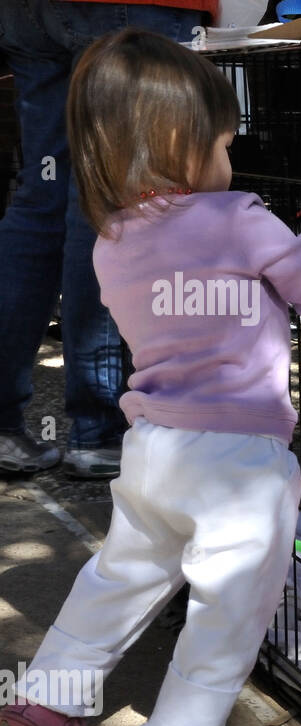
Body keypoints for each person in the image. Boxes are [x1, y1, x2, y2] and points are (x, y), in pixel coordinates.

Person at [0, 29, 301, 726]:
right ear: (179, 142)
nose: (232, 161)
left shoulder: (110, 241)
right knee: (234, 602)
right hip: (240, 459)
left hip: (155, 447)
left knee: (124, 573)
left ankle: (48, 693)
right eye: (225, 144)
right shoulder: (238, 218)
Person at [0, 1, 217, 480]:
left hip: (27, 14)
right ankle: (96, 434)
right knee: (103, 201)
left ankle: (9, 426)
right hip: (133, 9)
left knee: (41, 199)